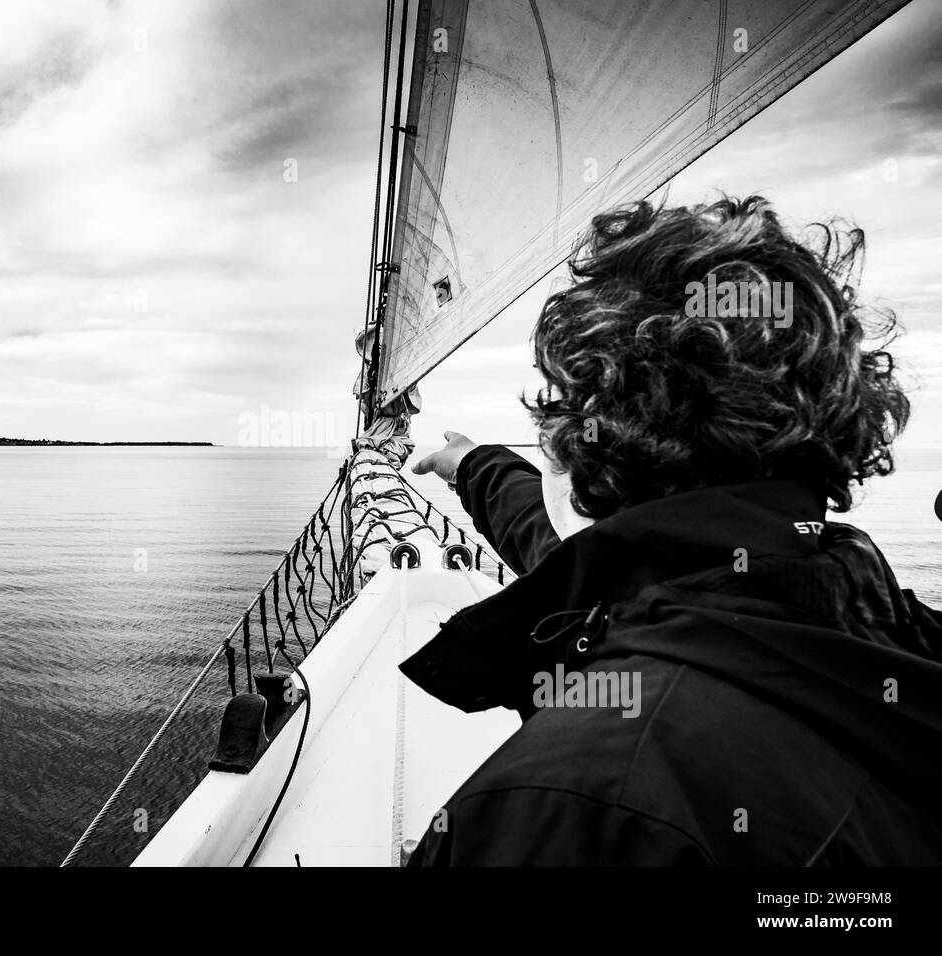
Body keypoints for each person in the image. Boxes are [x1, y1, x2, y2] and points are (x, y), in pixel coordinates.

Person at [402, 195, 942, 865]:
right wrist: (470, 466)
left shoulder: (563, 806)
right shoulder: (887, 630)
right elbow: (585, 560)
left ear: (587, 443)